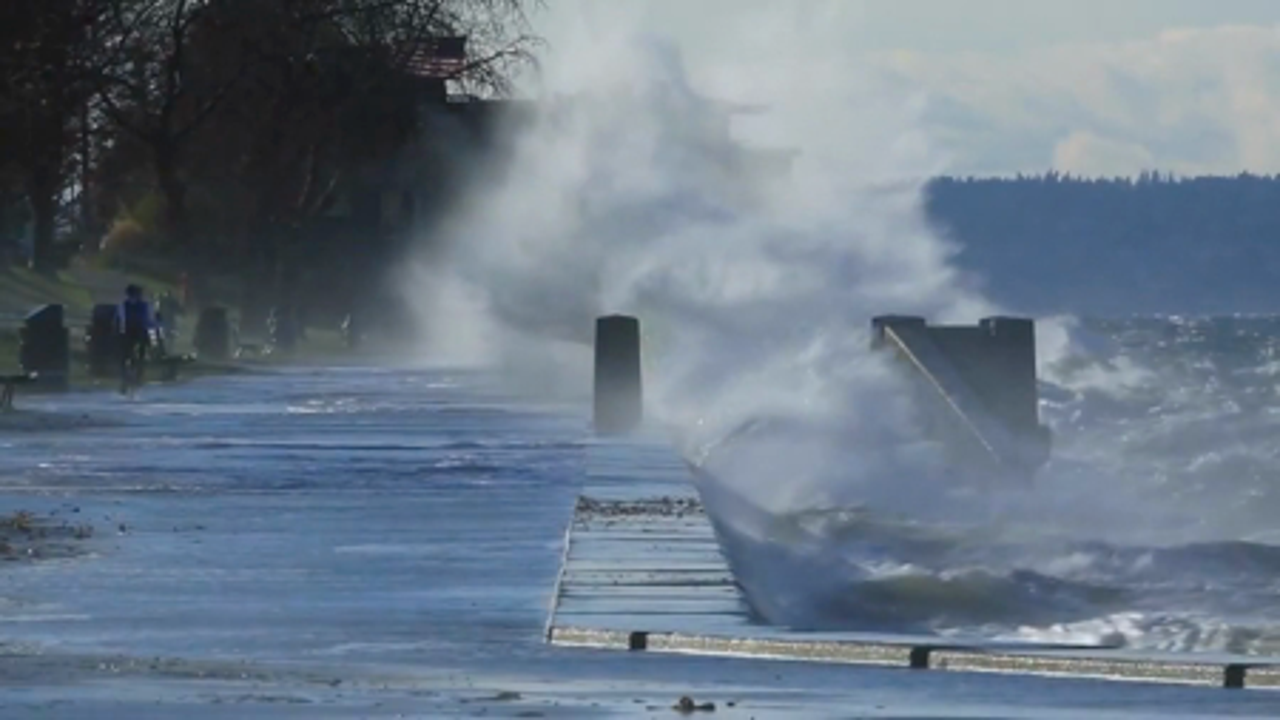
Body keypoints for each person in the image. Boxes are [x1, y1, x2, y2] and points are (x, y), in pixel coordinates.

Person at [116, 284, 158, 386]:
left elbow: (119, 321)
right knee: (135, 356)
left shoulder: (123, 306)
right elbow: (151, 321)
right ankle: (133, 377)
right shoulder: (144, 306)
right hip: (135, 333)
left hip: (132, 333)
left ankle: (132, 377)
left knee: (130, 356)